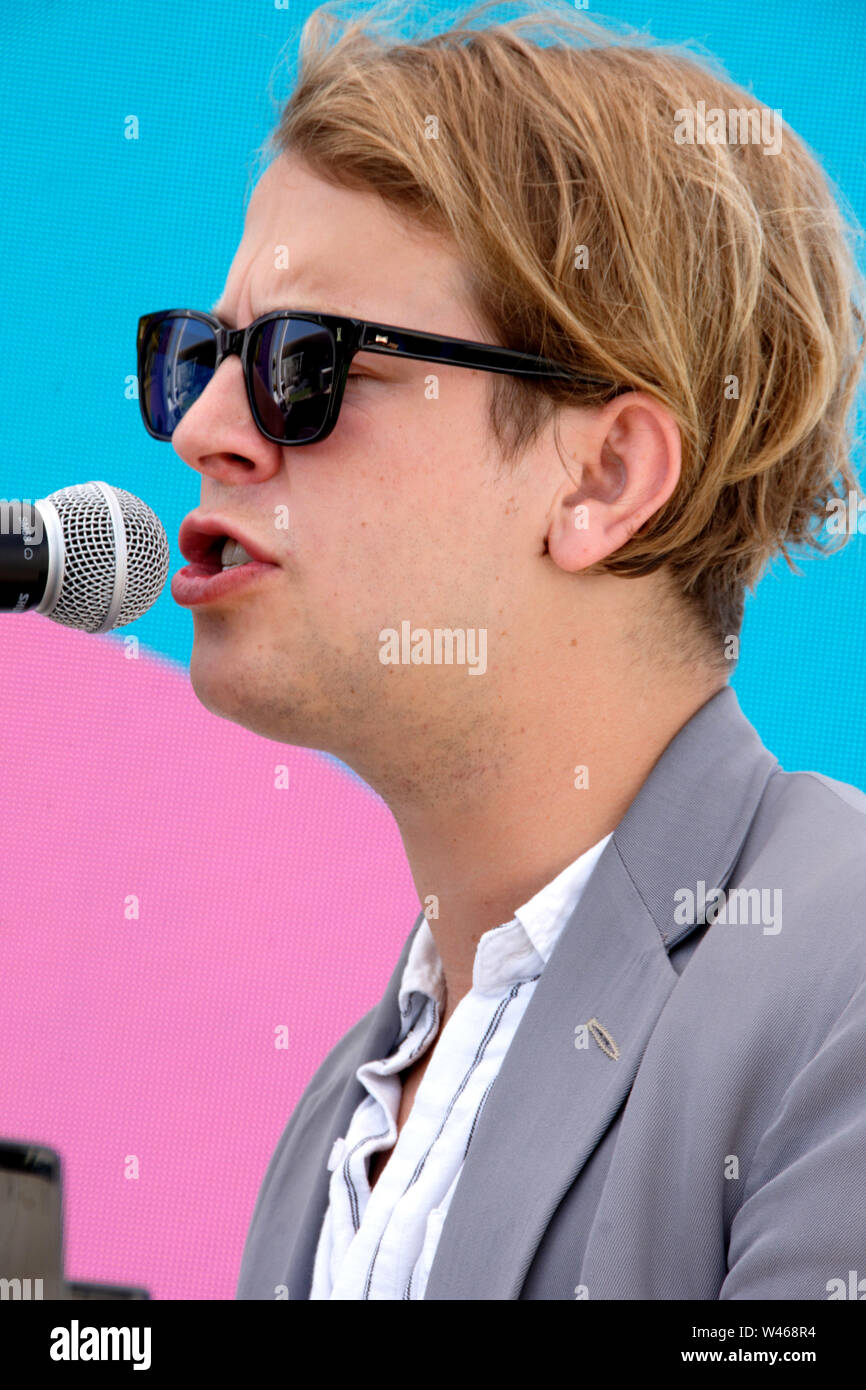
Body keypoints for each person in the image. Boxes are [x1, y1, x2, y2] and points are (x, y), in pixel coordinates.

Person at [136, 0, 866, 1298]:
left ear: (599, 476)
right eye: (198, 355)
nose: (202, 425)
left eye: (304, 363)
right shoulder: (342, 1125)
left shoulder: (838, 989)